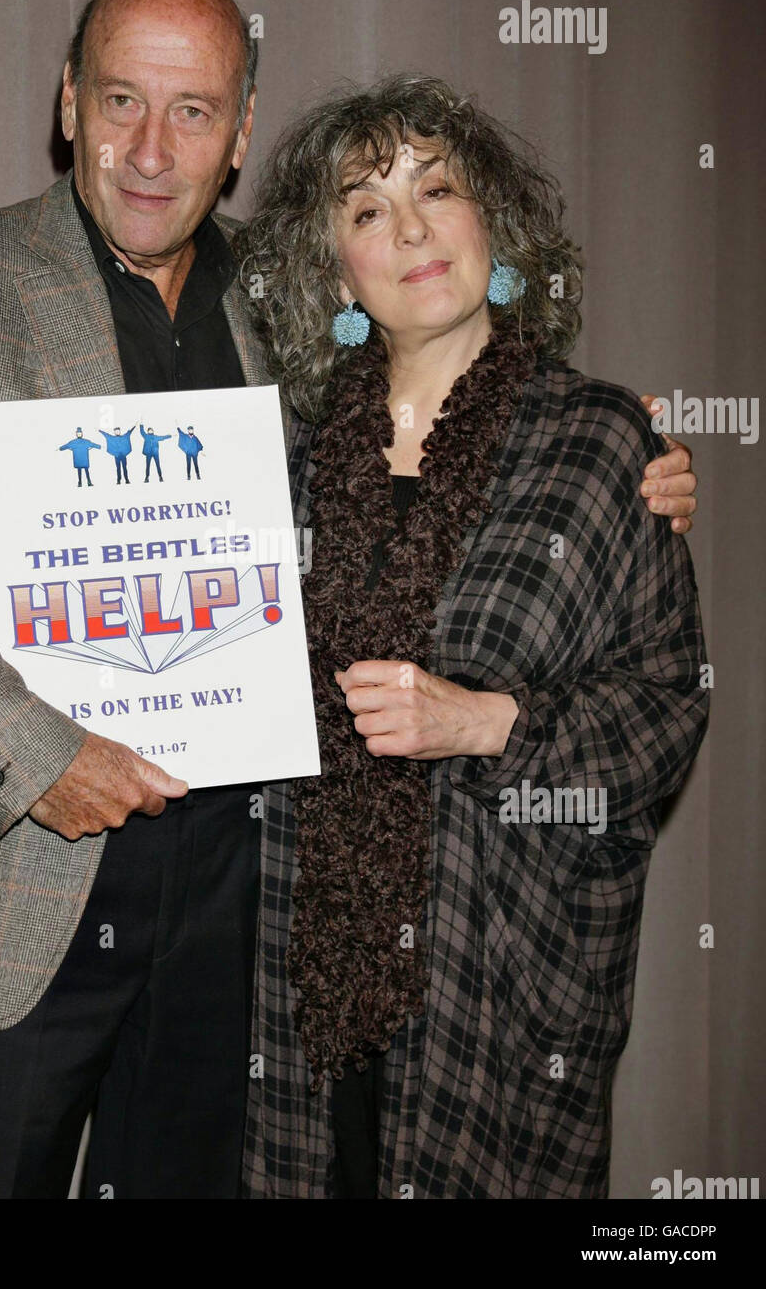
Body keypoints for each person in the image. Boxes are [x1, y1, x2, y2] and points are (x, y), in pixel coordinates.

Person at [0, 0, 697, 1201]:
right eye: (119, 102)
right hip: (14, 906)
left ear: (241, 133)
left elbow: (453, 369)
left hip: (238, 932)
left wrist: (625, 437)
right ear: (67, 104)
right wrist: (32, 751)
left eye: (194, 111)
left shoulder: (289, 301)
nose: (152, 152)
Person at [233, 74, 710, 1198]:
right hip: (302, 975)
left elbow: (668, 706)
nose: (408, 229)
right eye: (364, 208)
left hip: (501, 980)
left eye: (434, 190)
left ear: (489, 217)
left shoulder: (602, 442)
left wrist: (488, 721)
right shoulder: (285, 464)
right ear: (331, 269)